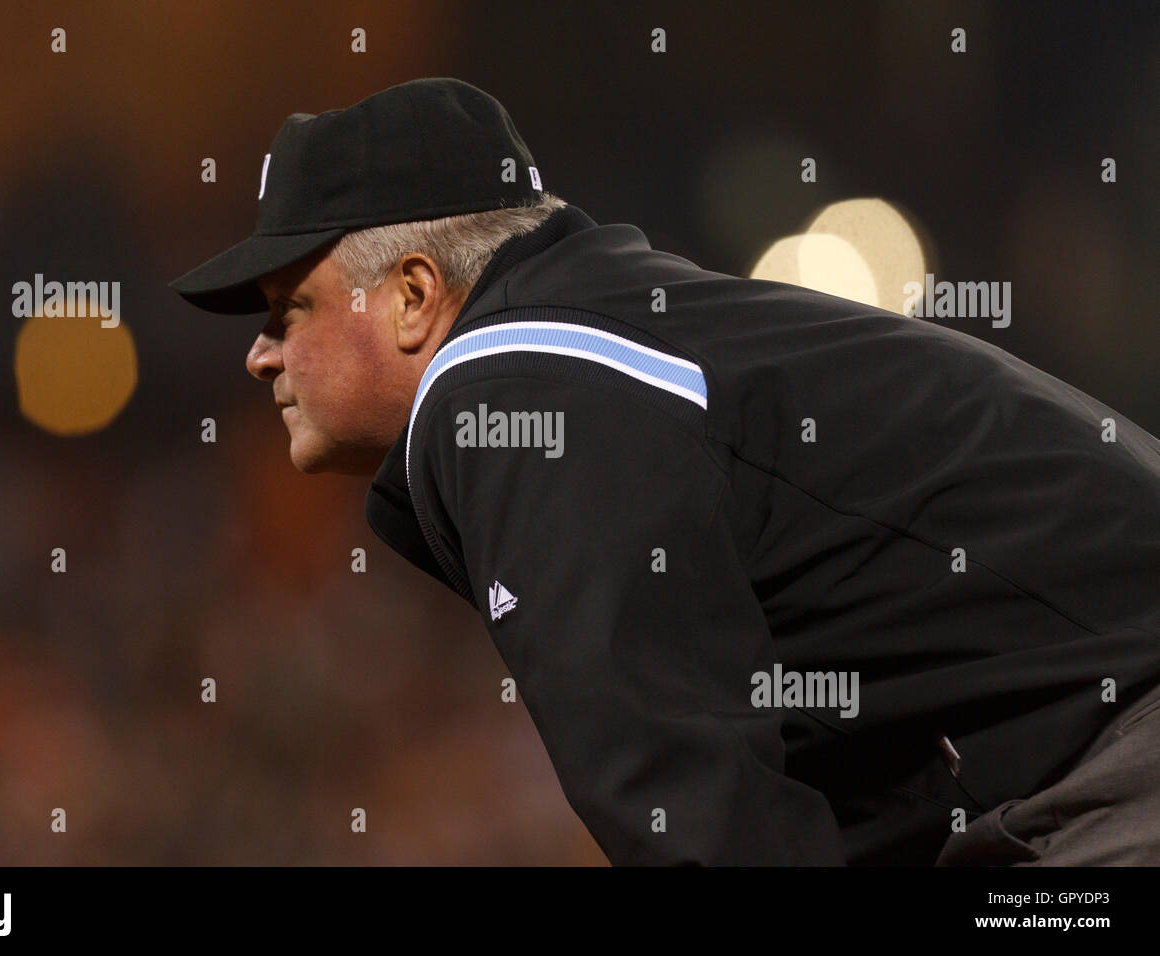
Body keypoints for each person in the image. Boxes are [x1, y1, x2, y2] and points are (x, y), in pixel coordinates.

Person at [169, 77, 1160, 865]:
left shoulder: (511, 382)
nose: (261, 355)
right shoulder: (603, 343)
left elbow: (684, 806)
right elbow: (828, 775)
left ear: (414, 295)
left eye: (283, 311)